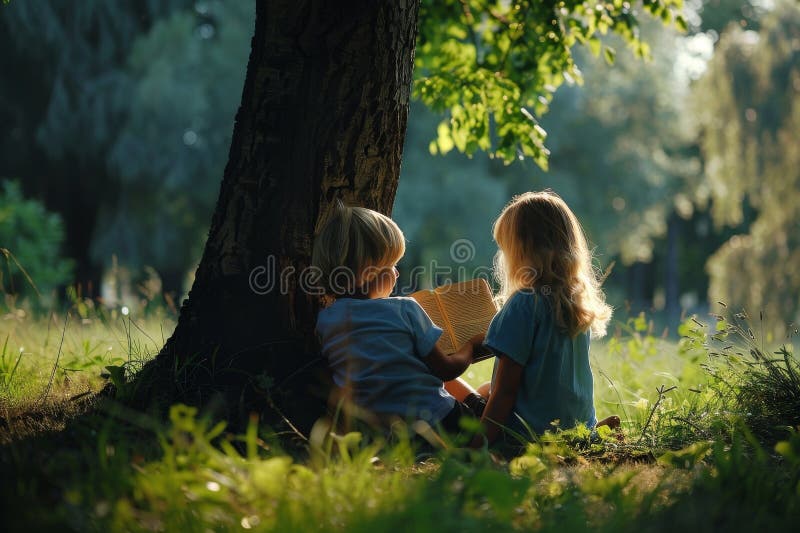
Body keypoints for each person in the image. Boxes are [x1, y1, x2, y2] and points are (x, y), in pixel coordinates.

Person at [312, 201, 485, 438]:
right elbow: (446, 370)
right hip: (437, 422)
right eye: (391, 265)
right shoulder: (405, 309)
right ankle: (482, 412)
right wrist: (471, 346)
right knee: (486, 418)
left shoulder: (326, 321)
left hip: (378, 432)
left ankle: (477, 402)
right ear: (369, 272)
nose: (397, 273)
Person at [471, 191, 619, 447]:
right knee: (485, 388)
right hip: (573, 430)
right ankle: (589, 434)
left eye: (505, 248)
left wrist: (477, 448)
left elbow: (506, 392)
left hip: (527, 438)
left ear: (523, 251)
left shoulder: (524, 302)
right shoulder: (574, 301)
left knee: (453, 395)